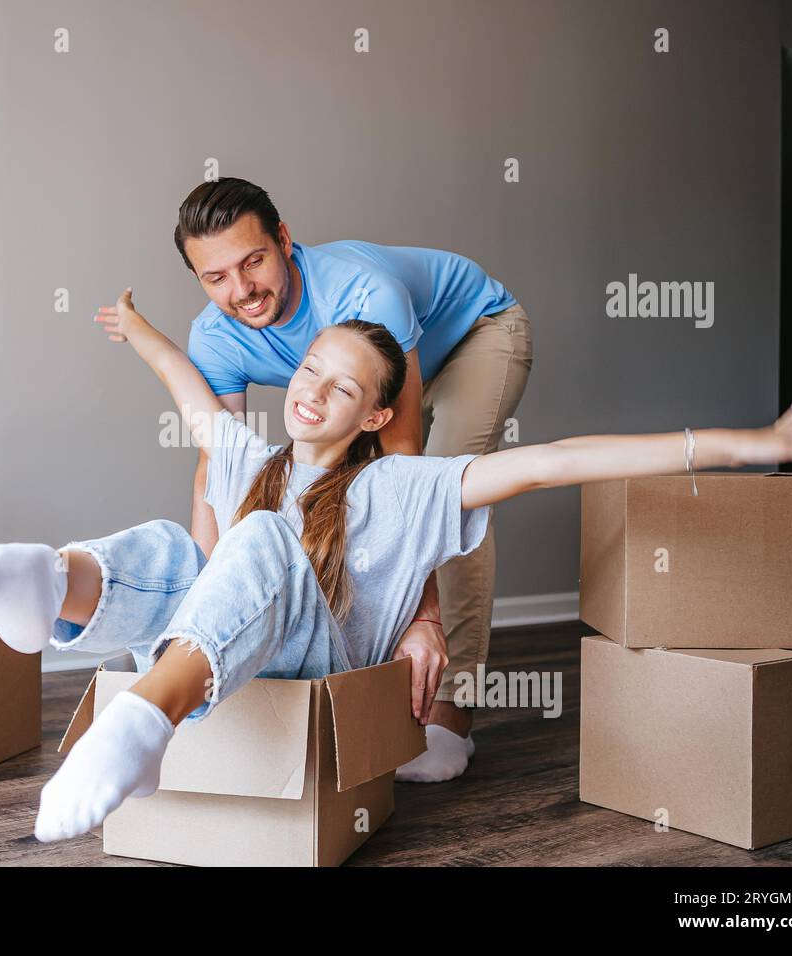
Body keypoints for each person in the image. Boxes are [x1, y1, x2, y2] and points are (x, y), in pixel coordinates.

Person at [0, 289, 792, 844]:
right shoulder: (251, 460)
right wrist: (139, 328)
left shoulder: (404, 488)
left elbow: (556, 461)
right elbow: (187, 390)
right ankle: (44, 584)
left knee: (255, 540)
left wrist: (754, 441)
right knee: (173, 545)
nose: (314, 391)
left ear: (376, 416)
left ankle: (144, 719)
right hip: (226, 652)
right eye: (310, 368)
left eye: (344, 386)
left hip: (318, 675)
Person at [175, 177, 532, 781]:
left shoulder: (364, 293)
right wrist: (204, 601)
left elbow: (405, 465)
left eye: (253, 261)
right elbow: (219, 464)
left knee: (448, 494)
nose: (241, 291)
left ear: (284, 239)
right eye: (216, 278)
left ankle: (451, 710)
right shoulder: (213, 336)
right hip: (370, 381)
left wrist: (424, 618)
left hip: (477, 335)